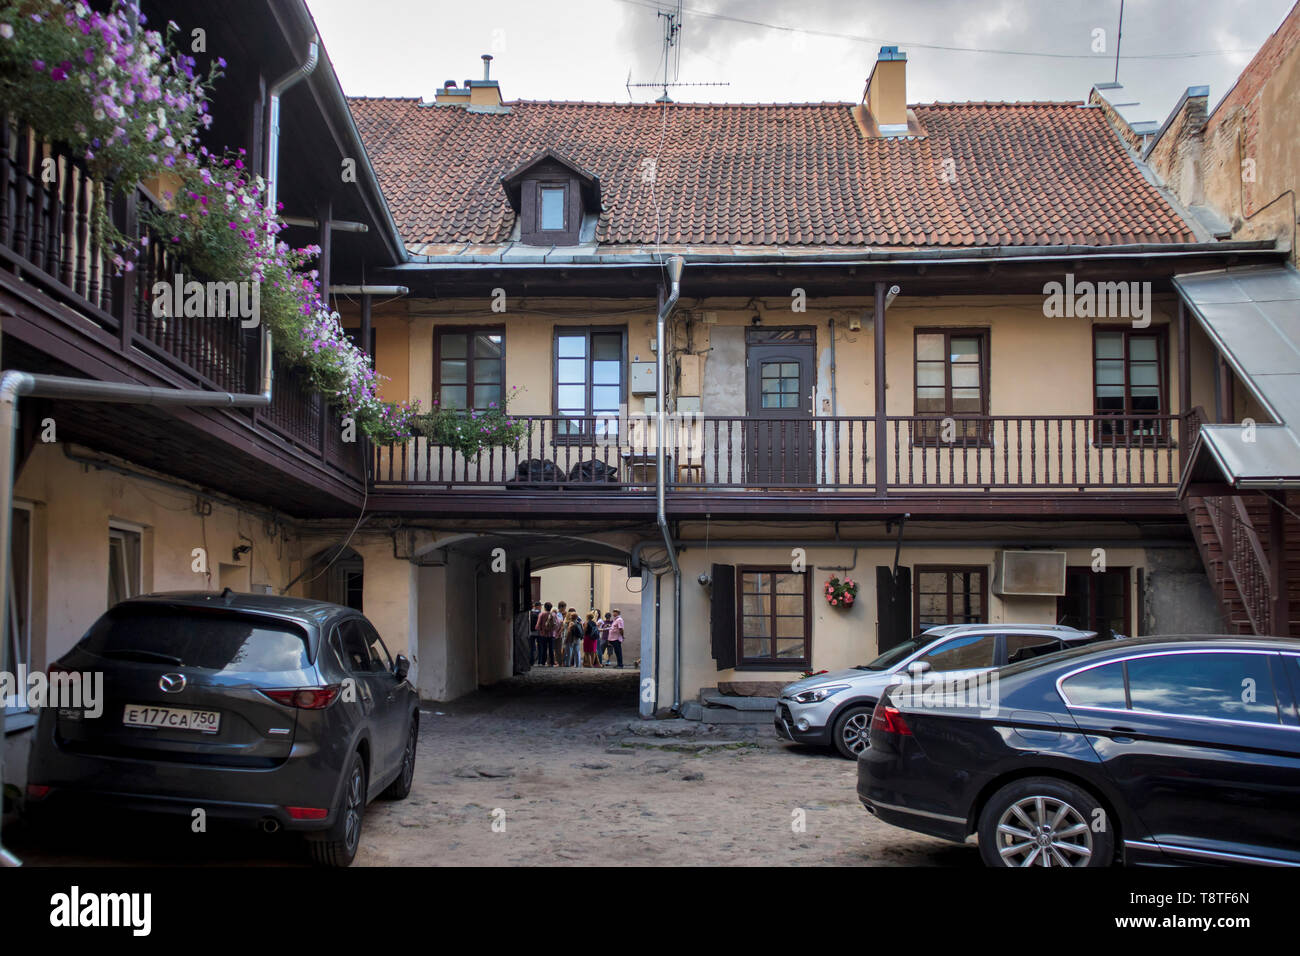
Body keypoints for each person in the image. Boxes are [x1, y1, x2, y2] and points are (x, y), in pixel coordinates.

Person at [537, 601, 559, 667]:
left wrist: (540, 629)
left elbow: (538, 625)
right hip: (552, 634)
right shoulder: (554, 614)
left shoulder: (541, 614)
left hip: (543, 634)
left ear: (545, 607)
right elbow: (557, 624)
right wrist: (555, 631)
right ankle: (552, 663)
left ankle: (543, 662)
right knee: (551, 649)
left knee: (544, 648)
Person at [528, 601, 543, 666]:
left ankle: (531, 662)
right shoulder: (540, 613)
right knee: (540, 647)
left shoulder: (530, 612)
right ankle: (539, 661)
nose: (541, 607)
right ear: (538, 606)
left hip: (531, 632)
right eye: (540, 606)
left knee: (531, 648)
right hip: (539, 633)